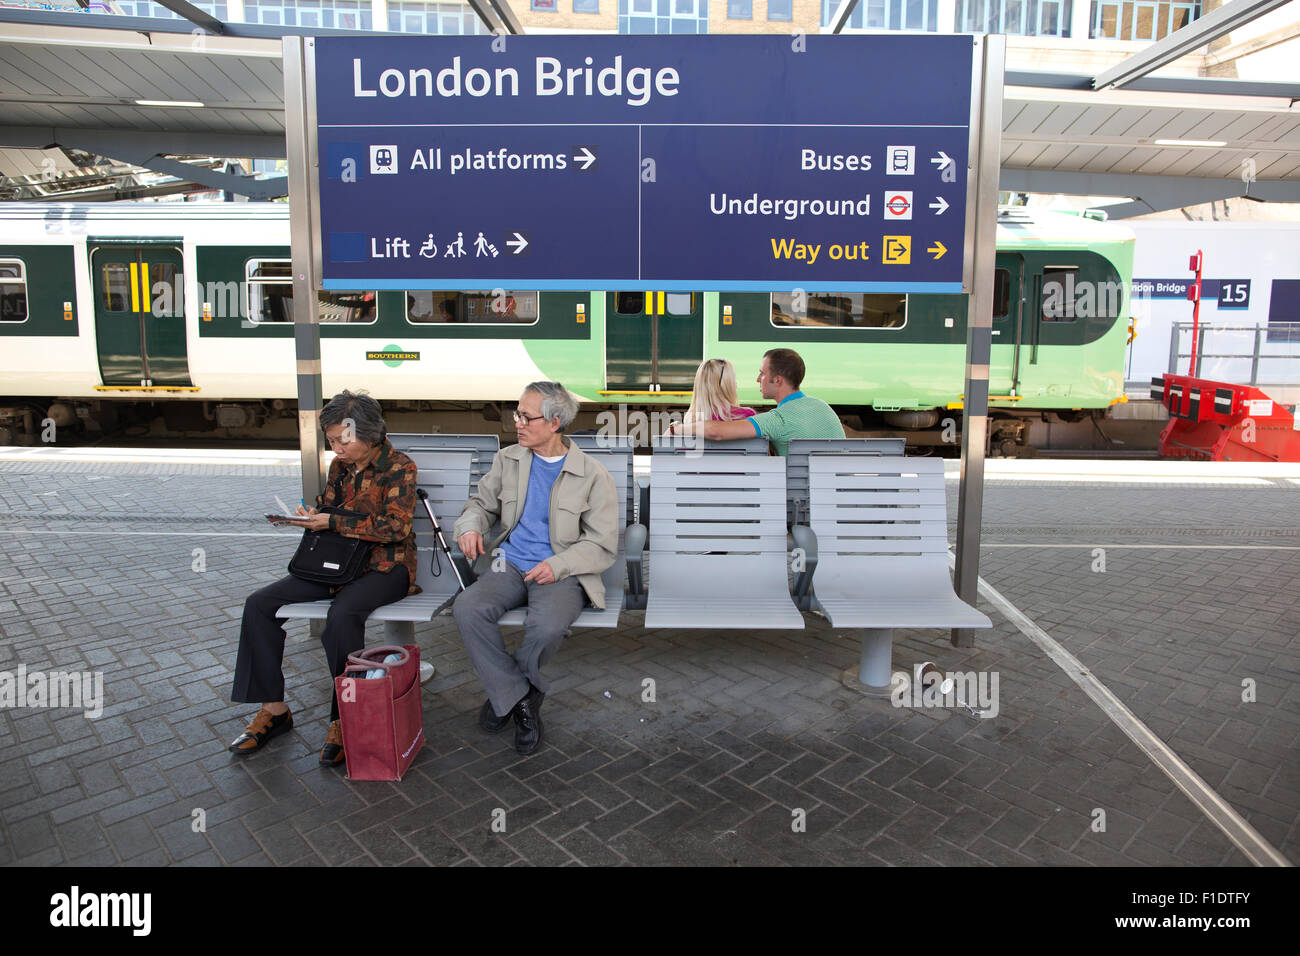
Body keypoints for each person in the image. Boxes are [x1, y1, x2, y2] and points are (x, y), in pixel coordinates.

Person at [227, 390, 419, 767]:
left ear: (368, 433)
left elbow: (395, 528)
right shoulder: (340, 468)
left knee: (342, 616)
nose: (335, 448)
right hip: (337, 564)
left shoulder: (400, 467)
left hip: (387, 567)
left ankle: (342, 717)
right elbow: (330, 509)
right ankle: (274, 709)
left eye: (340, 440)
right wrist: (312, 515)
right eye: (330, 441)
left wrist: (331, 521)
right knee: (260, 604)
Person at [453, 381, 618, 756]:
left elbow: (602, 542)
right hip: (507, 563)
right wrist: (470, 528)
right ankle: (519, 699)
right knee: (467, 609)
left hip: (560, 571)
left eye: (525, 417)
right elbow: (479, 505)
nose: (517, 423)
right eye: (517, 414)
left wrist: (559, 564)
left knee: (546, 628)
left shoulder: (592, 475)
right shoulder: (507, 460)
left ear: (554, 422)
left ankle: (506, 695)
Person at [667, 348, 844, 456]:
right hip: (839, 500)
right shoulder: (823, 407)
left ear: (778, 380)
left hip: (799, 504)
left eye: (762, 373)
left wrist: (678, 428)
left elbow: (716, 431)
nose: (758, 379)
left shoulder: (777, 420)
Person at [683, 358, 756, 425]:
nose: (736, 384)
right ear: (726, 385)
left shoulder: (690, 419)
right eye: (733, 379)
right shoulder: (747, 415)